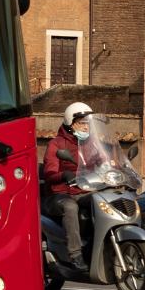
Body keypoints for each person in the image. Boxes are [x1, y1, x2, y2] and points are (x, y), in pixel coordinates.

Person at [41, 102, 107, 274]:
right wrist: (64, 175)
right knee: (71, 207)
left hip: (84, 191)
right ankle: (75, 254)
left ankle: (98, 245)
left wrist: (113, 167)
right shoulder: (56, 144)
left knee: (102, 201)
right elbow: (49, 172)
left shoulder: (92, 144)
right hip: (59, 194)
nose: (86, 127)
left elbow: (104, 161)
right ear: (70, 123)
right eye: (81, 123)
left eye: (87, 123)